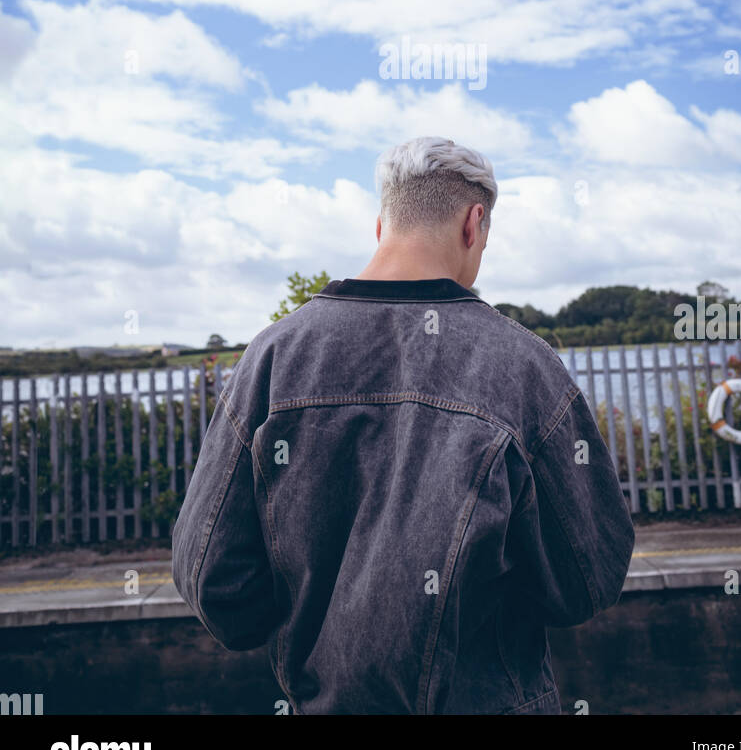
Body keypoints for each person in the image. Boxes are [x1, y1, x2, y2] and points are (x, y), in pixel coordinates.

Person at [172, 135, 634, 714]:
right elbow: (586, 580)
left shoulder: (271, 360)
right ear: (474, 224)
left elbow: (218, 586)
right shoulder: (524, 367)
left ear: (379, 227)